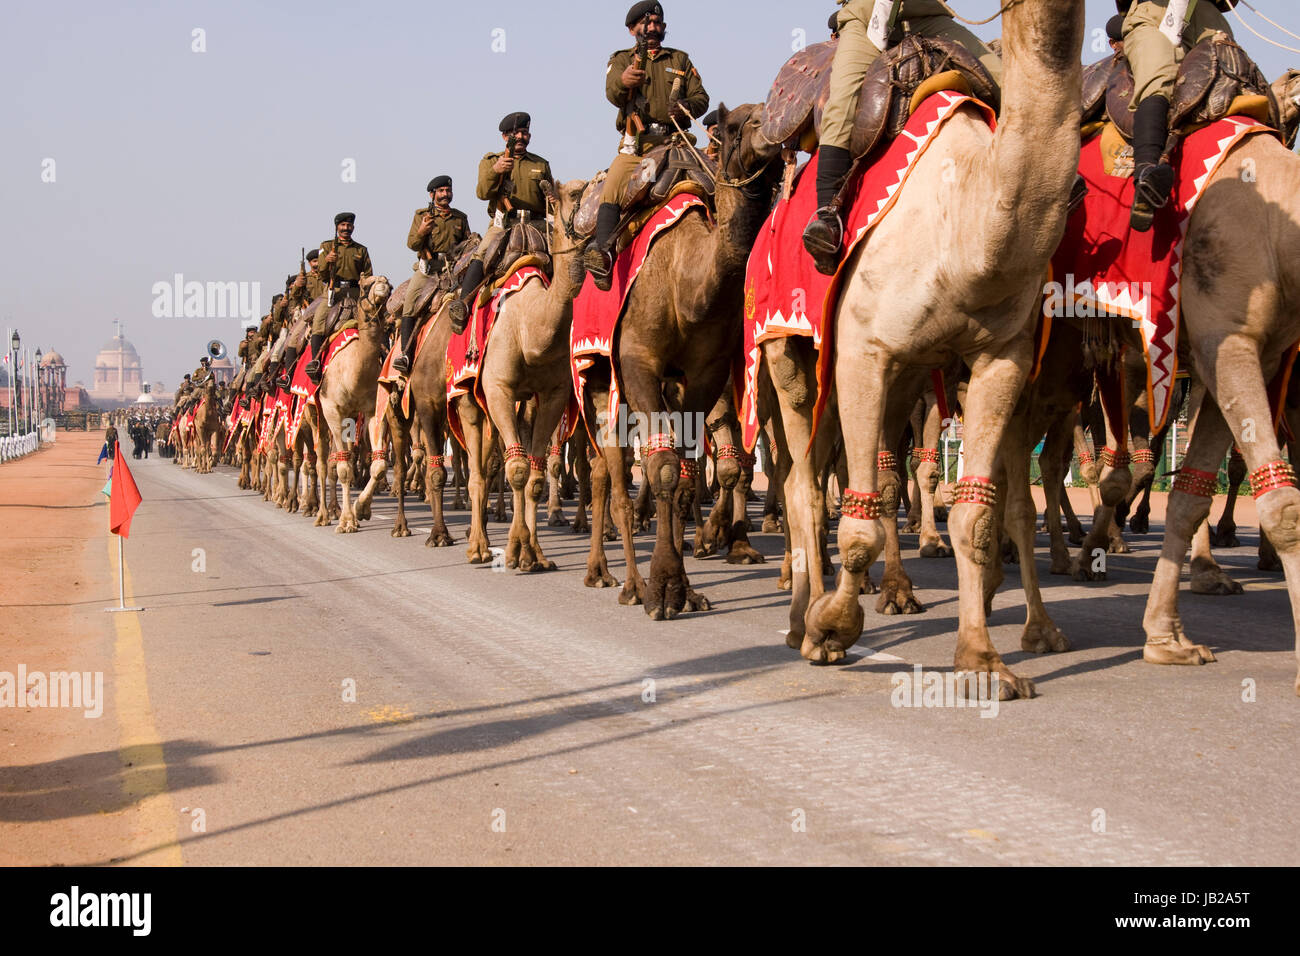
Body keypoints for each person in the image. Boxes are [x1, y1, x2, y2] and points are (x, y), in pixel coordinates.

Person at [801, 0, 1002, 274]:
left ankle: (1039, 170)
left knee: (1004, 80)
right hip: (867, 17)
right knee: (843, 104)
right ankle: (827, 216)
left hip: (929, 17)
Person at [584, 1, 709, 290]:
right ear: (632, 29)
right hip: (638, 147)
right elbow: (612, 91)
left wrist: (687, 105)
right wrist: (625, 81)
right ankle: (603, 254)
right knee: (613, 185)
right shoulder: (620, 59)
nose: (653, 28)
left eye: (657, 23)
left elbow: (702, 97)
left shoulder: (680, 60)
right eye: (646, 23)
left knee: (715, 178)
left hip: (676, 141)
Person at [1122, 1, 1238, 231]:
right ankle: (1146, 173)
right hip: (1154, 14)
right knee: (1159, 74)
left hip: (1208, 18)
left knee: (1241, 84)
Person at [448, 113, 554, 332]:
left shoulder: (541, 164)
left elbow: (550, 204)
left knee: (563, 252)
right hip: (503, 223)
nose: (522, 137)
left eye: (525, 133)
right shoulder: (490, 161)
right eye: (517, 133)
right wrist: (496, 171)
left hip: (537, 225)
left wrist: (555, 200)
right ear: (506, 136)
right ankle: (464, 305)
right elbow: (481, 192)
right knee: (483, 252)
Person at [394, 175, 470, 373]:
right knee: (410, 304)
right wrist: (421, 231)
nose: (445, 194)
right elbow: (412, 244)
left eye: (448, 190)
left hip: (453, 270)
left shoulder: (460, 218)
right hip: (428, 269)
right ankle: (405, 355)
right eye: (441, 191)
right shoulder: (422, 215)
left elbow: (467, 245)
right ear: (432, 194)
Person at [306, 212, 373, 381]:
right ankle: (316, 363)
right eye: (342, 225)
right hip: (333, 292)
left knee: (375, 322)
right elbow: (321, 274)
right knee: (319, 321)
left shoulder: (361, 249)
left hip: (356, 293)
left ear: (353, 227)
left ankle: (383, 357)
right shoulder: (326, 246)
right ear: (337, 227)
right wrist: (327, 260)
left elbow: (368, 274)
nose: (346, 228)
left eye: (349, 225)